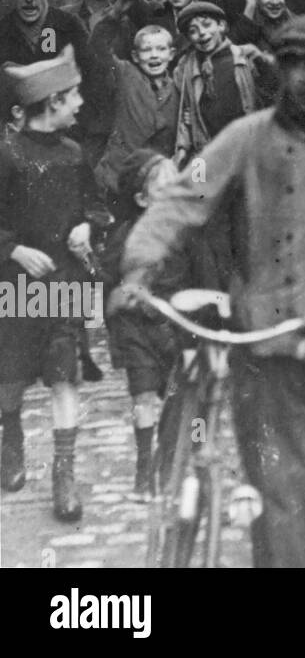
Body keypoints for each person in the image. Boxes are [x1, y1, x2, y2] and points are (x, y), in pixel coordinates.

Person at [116, 14, 305, 568]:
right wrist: (139, 265)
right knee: (280, 496)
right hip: (267, 352)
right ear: (281, 72)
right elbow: (180, 199)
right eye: (295, 64)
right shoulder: (247, 139)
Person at [0, 48, 107, 519]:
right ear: (53, 102)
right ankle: (12, 442)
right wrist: (13, 250)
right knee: (11, 377)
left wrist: (88, 224)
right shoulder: (6, 155)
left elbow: (96, 204)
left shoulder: (74, 153)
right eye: (74, 96)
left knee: (66, 375)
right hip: (15, 282)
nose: (80, 103)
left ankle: (64, 472)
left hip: (67, 280)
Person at [100, 151, 186, 500]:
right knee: (143, 395)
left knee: (179, 399)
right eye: (163, 189)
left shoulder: (185, 234)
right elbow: (108, 283)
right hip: (137, 331)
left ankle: (173, 465)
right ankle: (144, 464)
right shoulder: (125, 236)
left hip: (175, 327)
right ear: (141, 199)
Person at [173, 1, 274, 159]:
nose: (201, 33)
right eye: (193, 31)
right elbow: (185, 112)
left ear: (221, 26)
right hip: (205, 148)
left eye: (207, 25)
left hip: (246, 146)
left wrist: (263, 62)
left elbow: (273, 93)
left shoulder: (245, 56)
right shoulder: (185, 68)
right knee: (198, 180)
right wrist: (181, 149)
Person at [92, 21, 178, 195]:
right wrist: (114, 16)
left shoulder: (178, 88)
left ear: (171, 54)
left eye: (161, 49)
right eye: (146, 50)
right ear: (136, 56)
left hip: (155, 184)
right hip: (115, 177)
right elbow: (99, 46)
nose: (154, 55)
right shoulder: (125, 74)